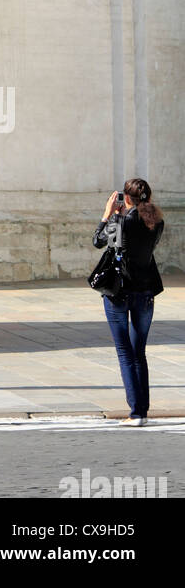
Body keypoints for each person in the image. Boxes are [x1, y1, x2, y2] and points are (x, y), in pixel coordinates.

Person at [93, 178, 164, 427]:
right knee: (139, 353)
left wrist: (107, 214)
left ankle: (135, 413)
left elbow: (99, 241)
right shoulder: (156, 222)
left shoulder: (121, 221)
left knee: (125, 353)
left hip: (120, 292)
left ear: (127, 197)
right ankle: (141, 411)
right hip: (145, 293)